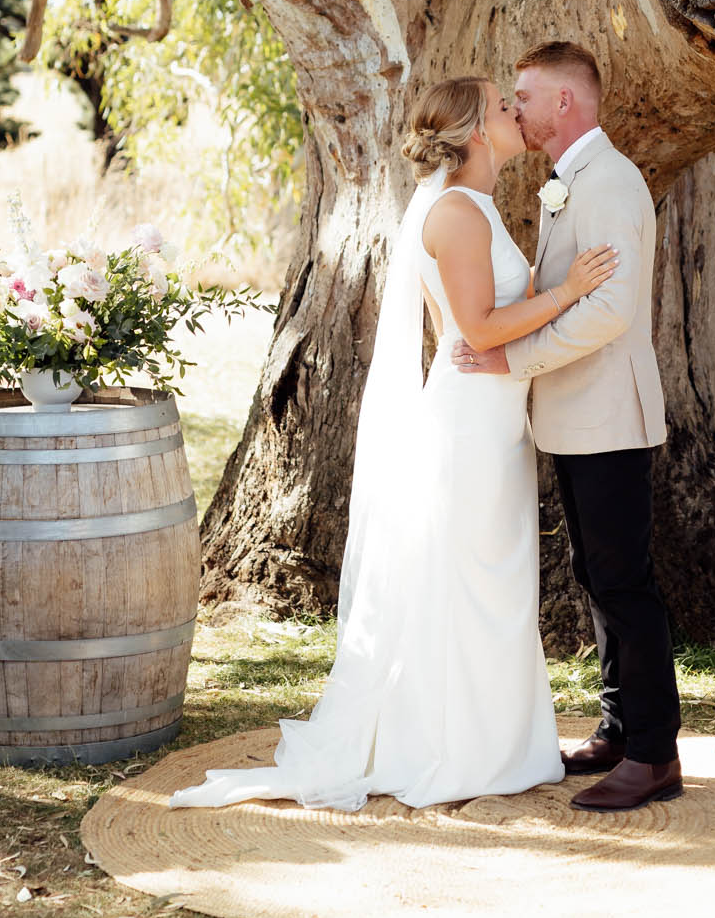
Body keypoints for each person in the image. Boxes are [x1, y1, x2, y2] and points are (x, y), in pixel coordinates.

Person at [170, 77, 617, 813]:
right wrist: (567, 294)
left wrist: (550, 278)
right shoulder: (455, 212)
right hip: (469, 420)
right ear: (475, 131)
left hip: (493, 414)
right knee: (471, 579)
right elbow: (476, 330)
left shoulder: (474, 206)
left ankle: (494, 740)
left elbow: (495, 307)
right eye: (504, 107)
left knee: (490, 577)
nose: (517, 111)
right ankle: (453, 747)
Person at [454, 41, 682, 812]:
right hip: (574, 416)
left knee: (624, 583)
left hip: (607, 412)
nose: (513, 107)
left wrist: (513, 360)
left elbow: (611, 311)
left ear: (565, 103)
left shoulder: (610, 181)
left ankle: (653, 756)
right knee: (596, 577)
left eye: (524, 94)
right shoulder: (570, 179)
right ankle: (619, 729)